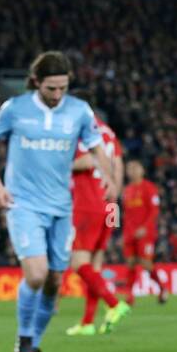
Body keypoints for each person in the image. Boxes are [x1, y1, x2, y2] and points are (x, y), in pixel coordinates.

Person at [0, 51, 117, 352]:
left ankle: (34, 345)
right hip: (24, 204)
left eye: (63, 88)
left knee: (55, 281)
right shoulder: (16, 109)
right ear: (36, 82)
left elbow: (97, 146)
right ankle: (24, 339)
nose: (57, 95)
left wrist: (108, 176)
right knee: (37, 274)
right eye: (51, 89)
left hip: (61, 206)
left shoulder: (79, 111)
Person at [64, 94, 126, 336]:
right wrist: (114, 197)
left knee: (79, 264)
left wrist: (54, 166)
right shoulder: (109, 132)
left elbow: (87, 160)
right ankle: (88, 322)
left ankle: (114, 303)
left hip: (87, 202)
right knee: (95, 265)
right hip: (108, 202)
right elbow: (118, 166)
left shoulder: (82, 130)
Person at [118, 158, 168, 310]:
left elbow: (154, 211)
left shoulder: (149, 188)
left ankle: (162, 288)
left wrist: (145, 228)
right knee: (131, 263)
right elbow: (125, 214)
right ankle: (130, 297)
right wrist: (122, 233)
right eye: (129, 168)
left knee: (146, 263)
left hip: (145, 233)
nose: (132, 170)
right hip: (129, 233)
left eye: (135, 167)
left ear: (142, 170)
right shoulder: (126, 191)